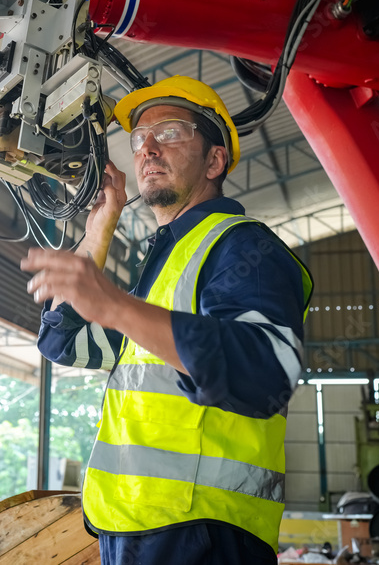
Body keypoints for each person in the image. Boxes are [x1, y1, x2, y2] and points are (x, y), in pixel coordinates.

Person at [21, 75, 313, 564]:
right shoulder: (162, 273)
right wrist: (100, 228)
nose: (147, 148)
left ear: (215, 161)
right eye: (138, 140)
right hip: (132, 527)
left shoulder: (243, 245)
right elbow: (61, 342)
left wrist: (115, 305)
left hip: (201, 531)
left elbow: (267, 370)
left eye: (171, 132)